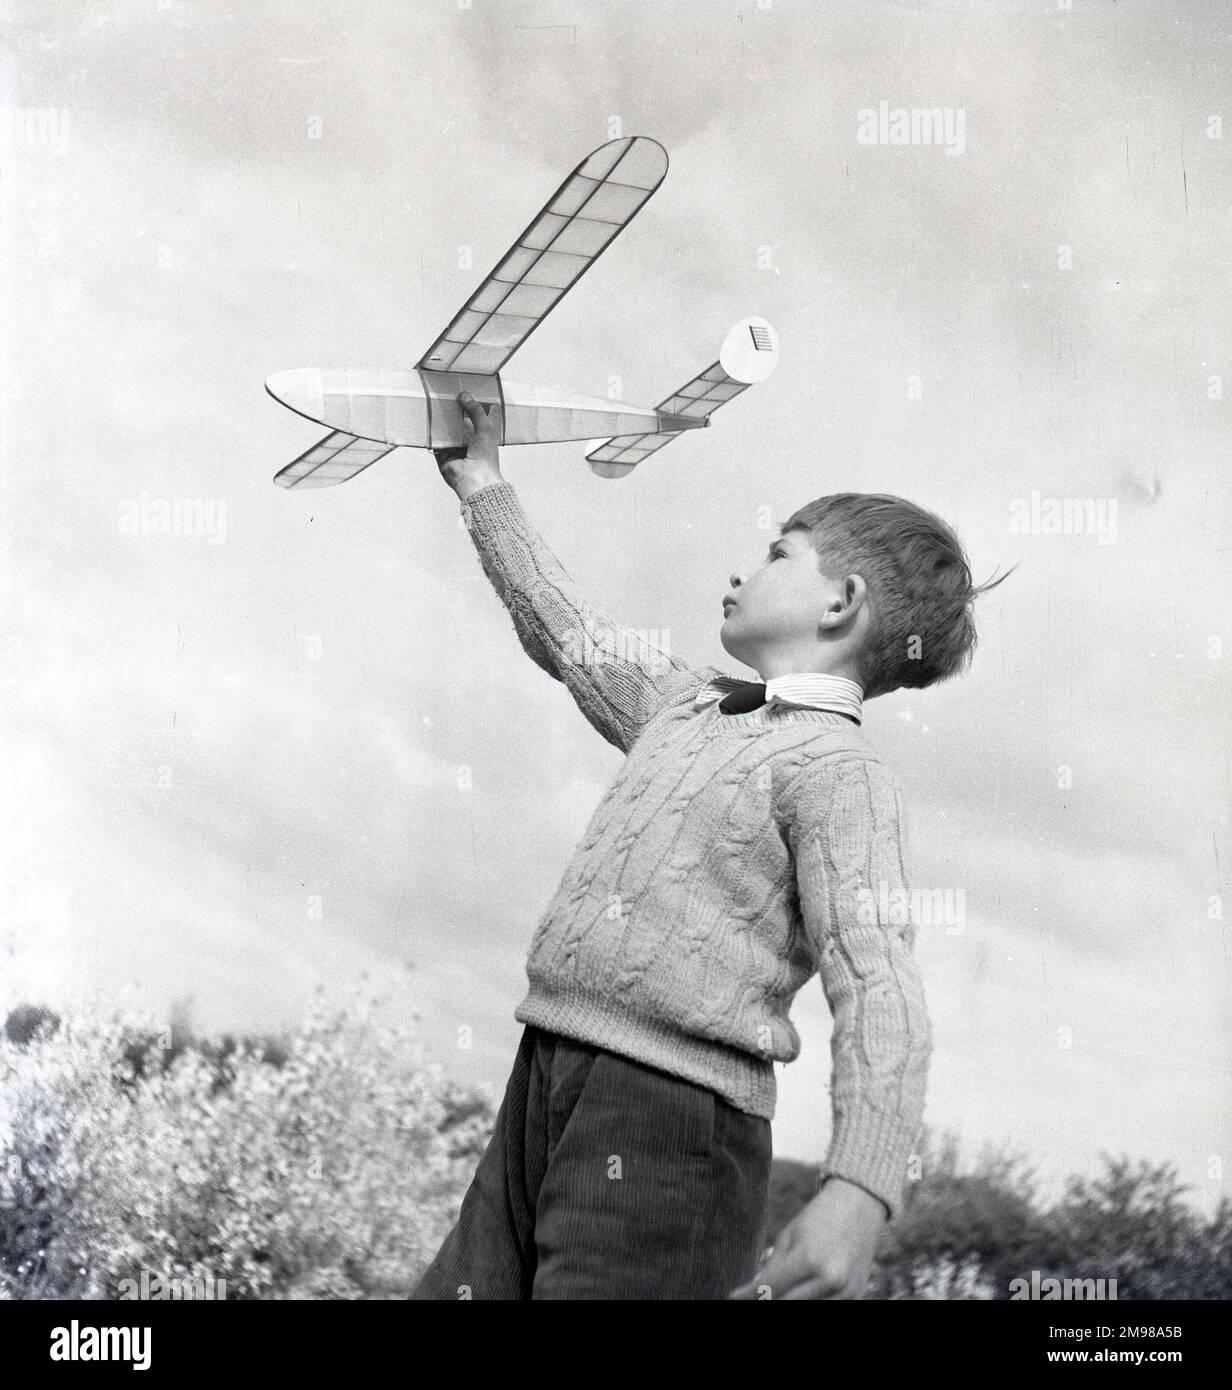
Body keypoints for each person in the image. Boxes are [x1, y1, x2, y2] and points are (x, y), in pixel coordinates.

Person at [411, 390, 1000, 1300]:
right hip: (547, 1076)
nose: (741, 570)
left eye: (776, 554)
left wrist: (860, 1189)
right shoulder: (682, 705)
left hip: (672, 1125)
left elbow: (879, 982)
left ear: (842, 603)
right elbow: (567, 633)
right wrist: (483, 483)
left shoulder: (842, 774)